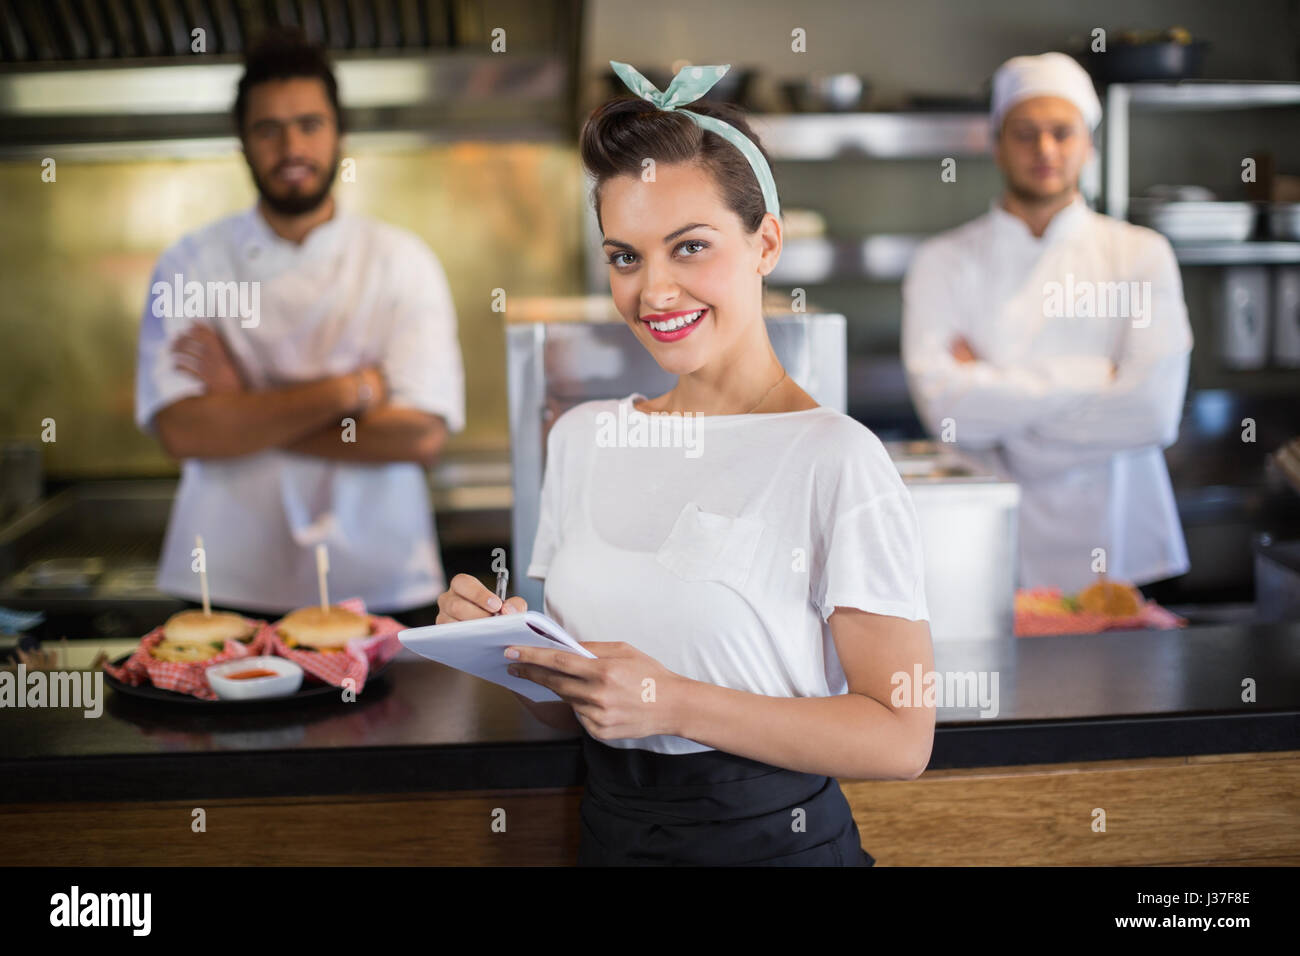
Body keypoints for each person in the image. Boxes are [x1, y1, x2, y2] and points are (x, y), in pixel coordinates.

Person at [434, 62, 935, 866]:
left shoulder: (835, 457)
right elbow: (573, 715)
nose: (654, 291)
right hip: (613, 839)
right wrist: (512, 651)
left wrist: (675, 701)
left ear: (765, 242)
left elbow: (902, 735)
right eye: (625, 257)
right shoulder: (581, 439)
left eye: (690, 247)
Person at [134, 29, 465, 620]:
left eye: (309, 124)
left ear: (339, 133)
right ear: (242, 142)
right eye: (269, 129)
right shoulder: (191, 262)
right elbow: (183, 433)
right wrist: (351, 392)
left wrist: (242, 408)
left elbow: (420, 437)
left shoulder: (401, 261)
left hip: (380, 582)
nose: (291, 146)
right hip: (226, 584)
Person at [901, 52, 1193, 593]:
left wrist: (997, 406)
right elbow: (944, 410)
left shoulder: (1141, 255)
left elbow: (1153, 414)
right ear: (996, 143)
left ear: (1088, 143)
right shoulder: (941, 261)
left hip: (1120, 543)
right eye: (1025, 133)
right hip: (990, 549)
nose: (1045, 150)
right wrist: (1093, 376)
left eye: (1062, 132)